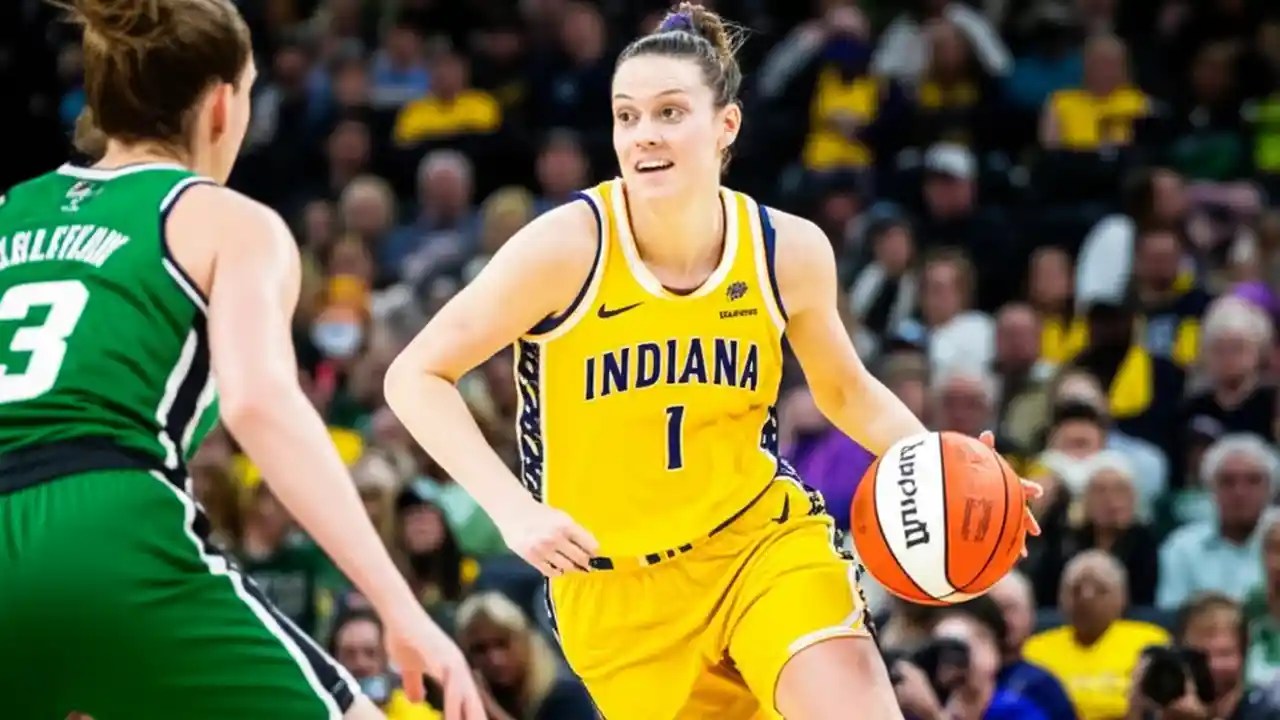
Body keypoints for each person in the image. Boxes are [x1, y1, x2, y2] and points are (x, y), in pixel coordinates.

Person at [383, 3, 1041, 719]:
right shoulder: (567, 246)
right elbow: (414, 376)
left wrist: (951, 474)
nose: (644, 136)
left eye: (670, 113)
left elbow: (847, 391)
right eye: (626, 116)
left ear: (725, 125)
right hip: (616, 592)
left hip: (758, 544)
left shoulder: (786, 249)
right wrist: (512, 509)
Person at [0, 1, 482, 719]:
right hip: (106, 525)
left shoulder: (12, 206)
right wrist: (399, 607)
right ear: (223, 104)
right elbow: (259, 403)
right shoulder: (228, 219)